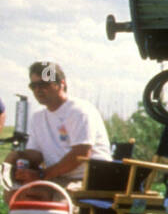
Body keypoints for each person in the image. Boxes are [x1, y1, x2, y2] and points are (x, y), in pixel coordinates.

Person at [3, 62, 112, 206]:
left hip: (89, 180)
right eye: (33, 86)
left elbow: (81, 154)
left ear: (61, 83)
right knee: (14, 194)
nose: (38, 90)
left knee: (38, 197)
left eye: (43, 84)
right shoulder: (38, 117)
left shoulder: (79, 111)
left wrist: (42, 175)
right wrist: (18, 157)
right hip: (58, 178)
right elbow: (36, 154)